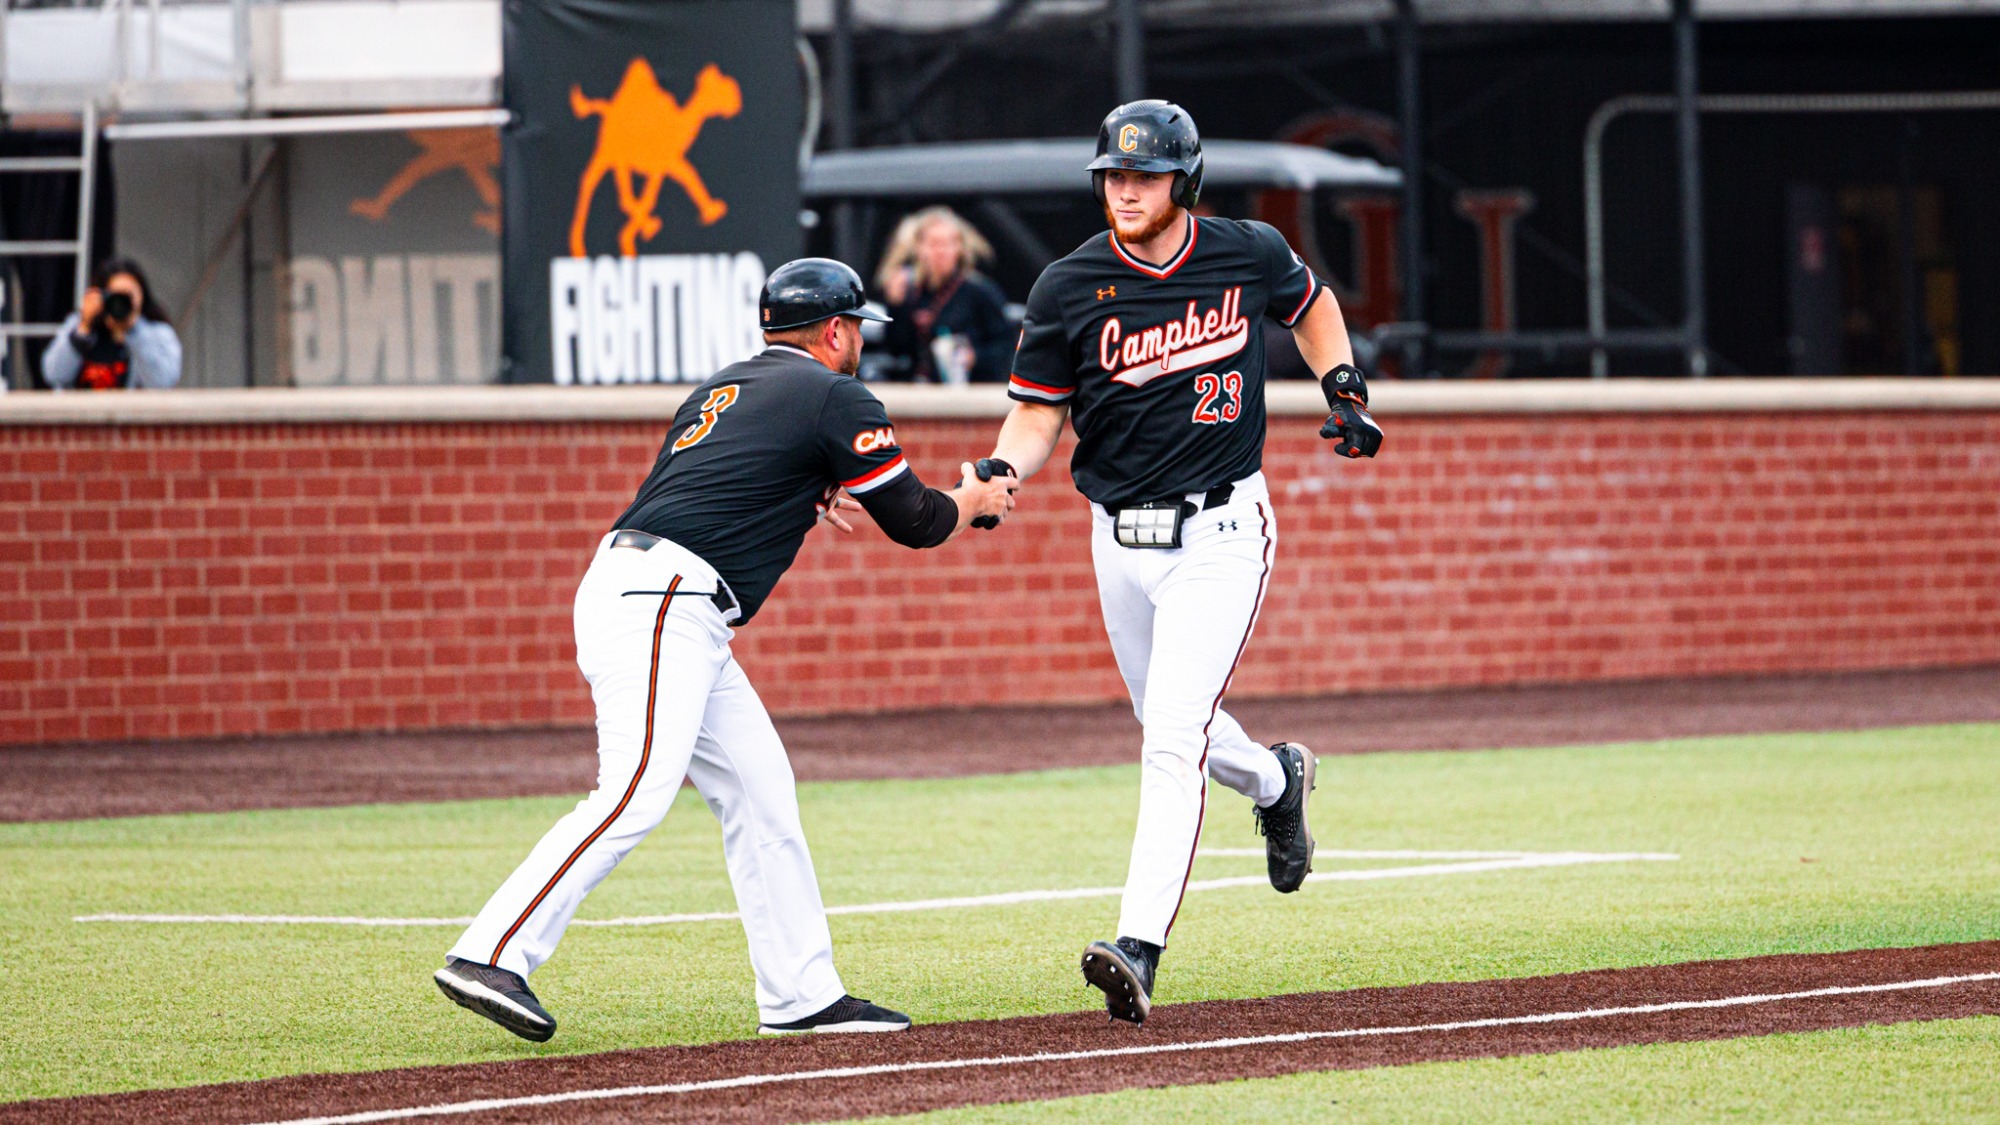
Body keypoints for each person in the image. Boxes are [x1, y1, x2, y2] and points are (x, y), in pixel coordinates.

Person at [433, 258, 1017, 1042]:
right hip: (664, 601)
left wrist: (806, 489)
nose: (858, 343)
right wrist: (973, 499)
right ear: (835, 331)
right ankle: (491, 951)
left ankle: (801, 993)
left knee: (760, 790)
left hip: (663, 597)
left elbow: (730, 477)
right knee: (635, 791)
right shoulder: (834, 392)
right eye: (854, 329)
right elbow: (915, 518)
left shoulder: (725, 385)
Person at [984, 101, 1382, 1025]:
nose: (1125, 190)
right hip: (1116, 536)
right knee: (1171, 721)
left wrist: (1344, 386)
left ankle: (1138, 946)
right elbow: (1038, 410)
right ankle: (1278, 780)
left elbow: (1313, 305)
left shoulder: (1245, 251)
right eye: (1113, 176)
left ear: (1185, 181)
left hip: (1221, 527)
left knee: (1170, 734)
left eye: (1146, 175)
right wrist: (1005, 466)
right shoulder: (1067, 285)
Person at [876, 206, 1013, 384]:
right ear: (919, 248)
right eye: (934, 244)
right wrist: (896, 306)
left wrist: (975, 358)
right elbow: (897, 350)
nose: (941, 251)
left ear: (959, 248)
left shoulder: (980, 291)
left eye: (948, 244)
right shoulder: (911, 291)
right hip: (919, 385)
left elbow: (1005, 345)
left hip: (970, 385)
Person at [41, 257, 182, 390]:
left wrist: (135, 332)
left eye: (128, 296)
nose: (121, 302)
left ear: (142, 295)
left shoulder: (158, 333)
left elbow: (162, 383)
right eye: (115, 295)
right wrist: (83, 329)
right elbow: (53, 375)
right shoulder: (79, 324)